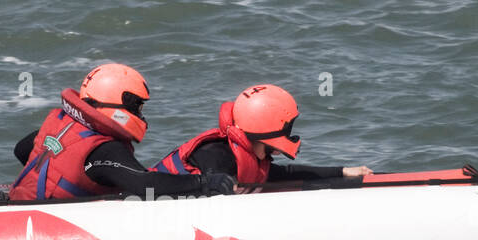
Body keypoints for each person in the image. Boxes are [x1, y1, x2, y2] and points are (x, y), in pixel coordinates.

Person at [9, 63, 234, 201]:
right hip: (49, 225)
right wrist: (204, 182)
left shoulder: (62, 122)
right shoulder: (104, 149)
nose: (141, 115)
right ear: (119, 105)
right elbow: (146, 184)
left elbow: (22, 149)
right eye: (138, 107)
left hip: (20, 206)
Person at [152, 83, 372, 185]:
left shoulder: (253, 158)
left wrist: (343, 171)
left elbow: (288, 173)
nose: (291, 135)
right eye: (288, 128)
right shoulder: (216, 155)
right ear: (267, 128)